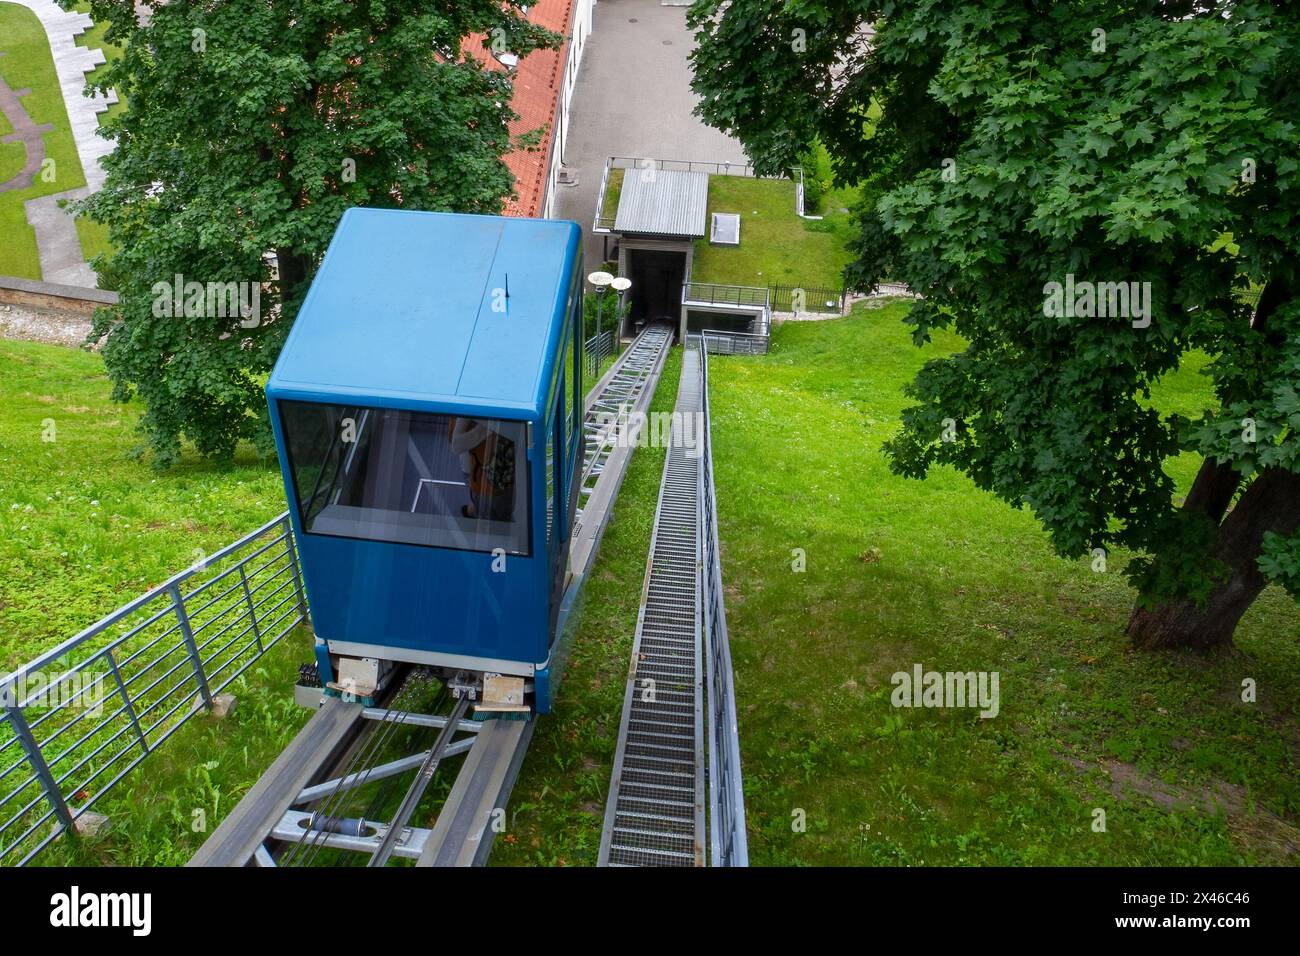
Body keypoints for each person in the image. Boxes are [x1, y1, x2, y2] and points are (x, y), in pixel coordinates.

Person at [448, 417, 515, 521]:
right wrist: (489, 427)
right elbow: (456, 445)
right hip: (482, 479)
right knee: (494, 514)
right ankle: (477, 510)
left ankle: (475, 509)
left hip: (492, 478)